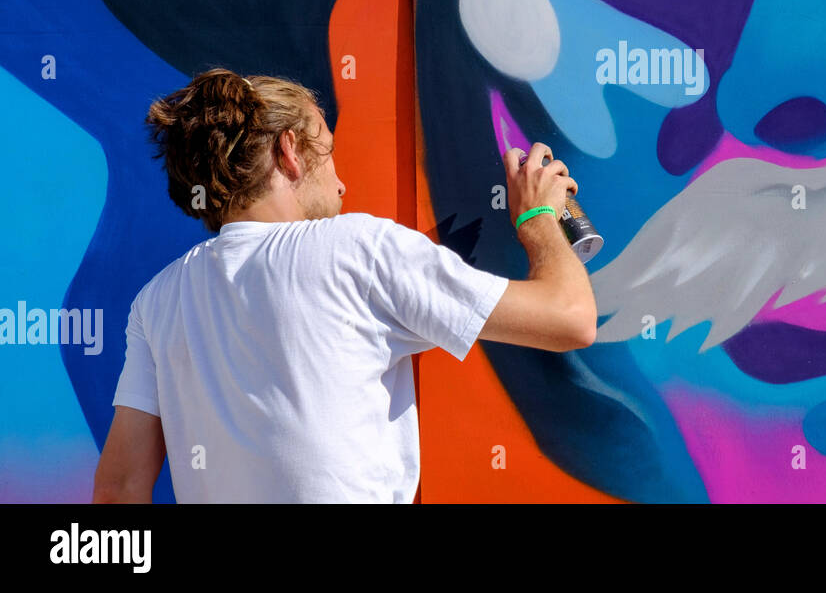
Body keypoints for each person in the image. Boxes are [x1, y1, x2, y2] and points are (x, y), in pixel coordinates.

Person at [92, 68, 595, 503]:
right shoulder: (357, 249)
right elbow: (570, 317)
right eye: (329, 153)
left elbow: (118, 490)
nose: (341, 184)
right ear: (289, 151)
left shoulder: (157, 300)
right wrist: (537, 215)